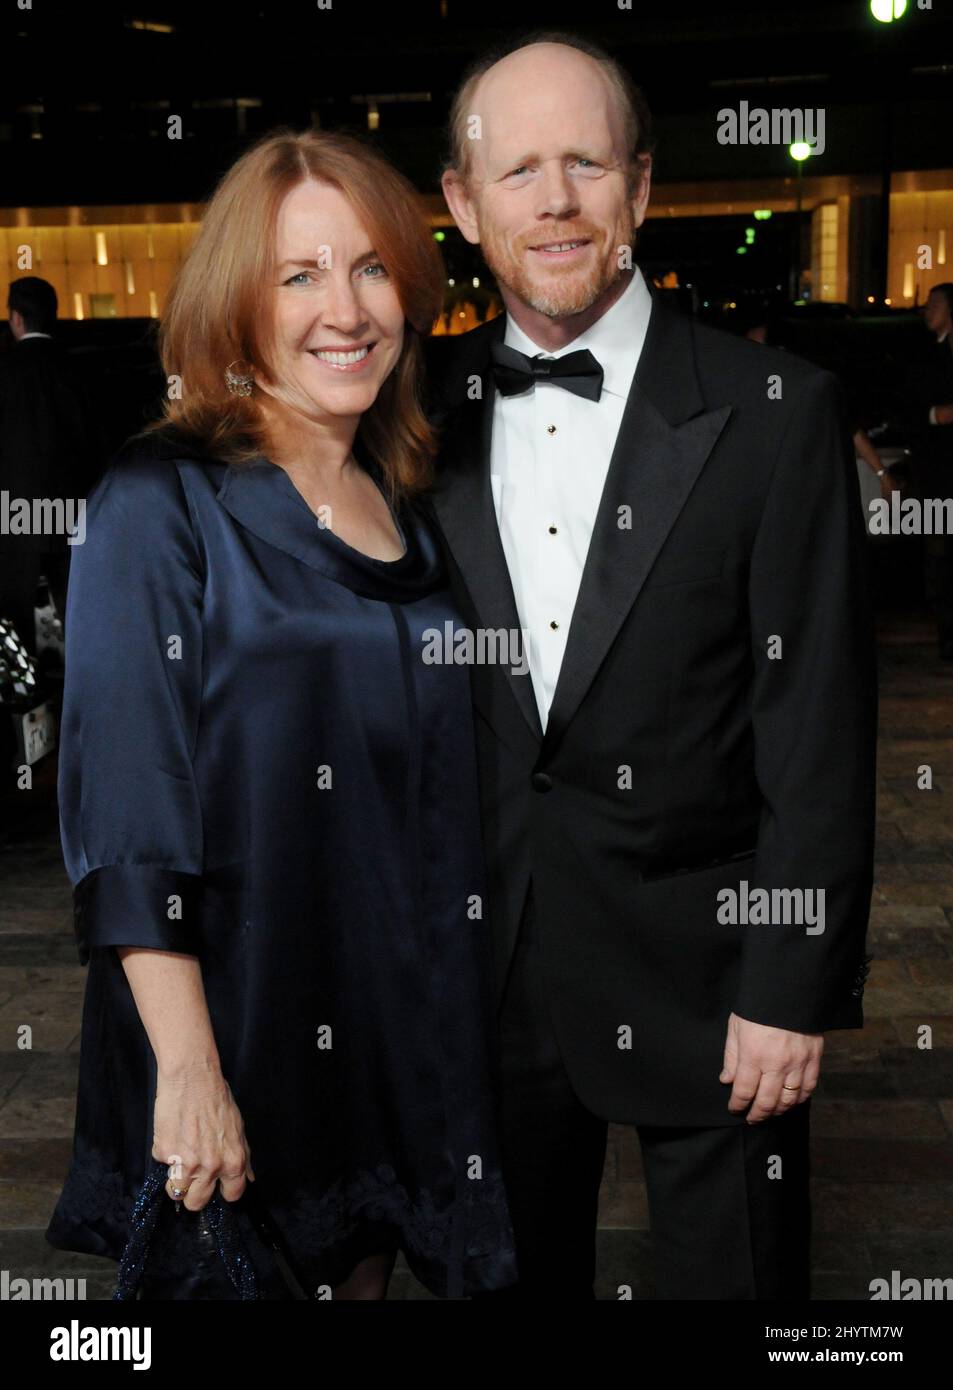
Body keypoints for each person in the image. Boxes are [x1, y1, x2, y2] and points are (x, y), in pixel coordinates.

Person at [426, 31, 877, 1299]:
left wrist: (790, 984)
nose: (553, 200)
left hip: (716, 980)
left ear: (637, 185)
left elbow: (817, 729)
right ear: (463, 206)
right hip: (489, 974)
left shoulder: (776, 411)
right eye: (516, 170)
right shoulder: (415, 413)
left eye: (584, 162)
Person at [44, 128, 516, 1300]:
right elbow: (128, 809)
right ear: (236, 306)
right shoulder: (158, 501)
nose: (342, 309)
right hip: (236, 1024)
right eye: (296, 275)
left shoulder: (407, 499)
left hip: (384, 1025)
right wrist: (190, 1070)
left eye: (367, 268)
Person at [0, 277, 96, 653]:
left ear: (16, 318)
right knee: (77, 617)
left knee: (14, 626)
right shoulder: (81, 373)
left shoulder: (4, 372)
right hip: (72, 517)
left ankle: (26, 704)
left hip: (14, 520)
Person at [904, 283, 953, 657]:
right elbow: (906, 410)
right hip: (937, 474)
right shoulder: (922, 355)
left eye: (935, 304)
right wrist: (938, 415)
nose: (926, 310)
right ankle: (947, 635)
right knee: (937, 555)